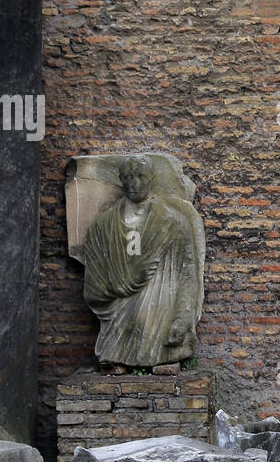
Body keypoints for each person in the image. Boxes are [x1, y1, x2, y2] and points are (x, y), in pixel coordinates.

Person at [83, 155, 201, 367]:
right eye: (128, 177)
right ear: (121, 179)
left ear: (151, 178)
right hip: (119, 326)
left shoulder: (173, 223)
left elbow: (187, 273)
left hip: (159, 323)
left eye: (141, 177)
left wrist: (183, 316)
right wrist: (122, 282)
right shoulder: (103, 227)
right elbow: (93, 282)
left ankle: (165, 356)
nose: (134, 184)